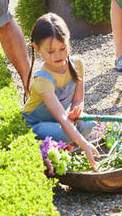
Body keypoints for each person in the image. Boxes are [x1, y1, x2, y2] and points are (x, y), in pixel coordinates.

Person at [23, 13, 99, 170]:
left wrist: (75, 113)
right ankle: (57, 146)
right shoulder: (43, 78)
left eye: (63, 48)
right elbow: (62, 119)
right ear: (36, 48)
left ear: (68, 41)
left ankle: (63, 146)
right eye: (50, 52)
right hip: (34, 124)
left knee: (88, 124)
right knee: (65, 133)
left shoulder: (77, 64)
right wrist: (84, 143)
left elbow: (78, 100)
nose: (58, 55)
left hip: (57, 119)